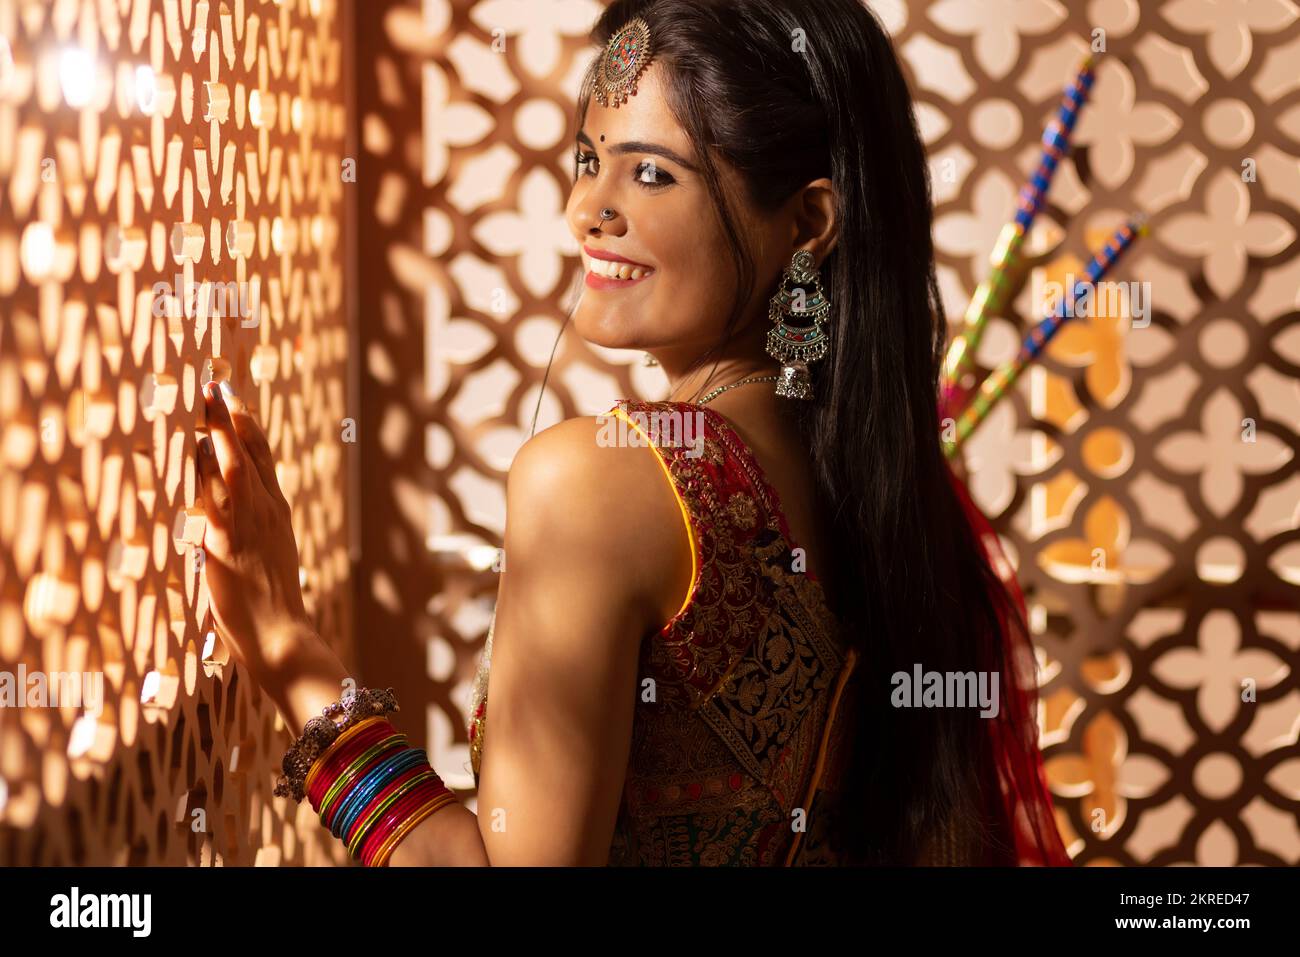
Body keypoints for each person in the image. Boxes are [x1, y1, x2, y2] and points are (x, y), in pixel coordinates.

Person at [195, 0, 1070, 866]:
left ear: (806, 224)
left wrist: (287, 650)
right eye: (588, 160)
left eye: (650, 173)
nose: (586, 211)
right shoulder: (884, 487)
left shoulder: (600, 482)